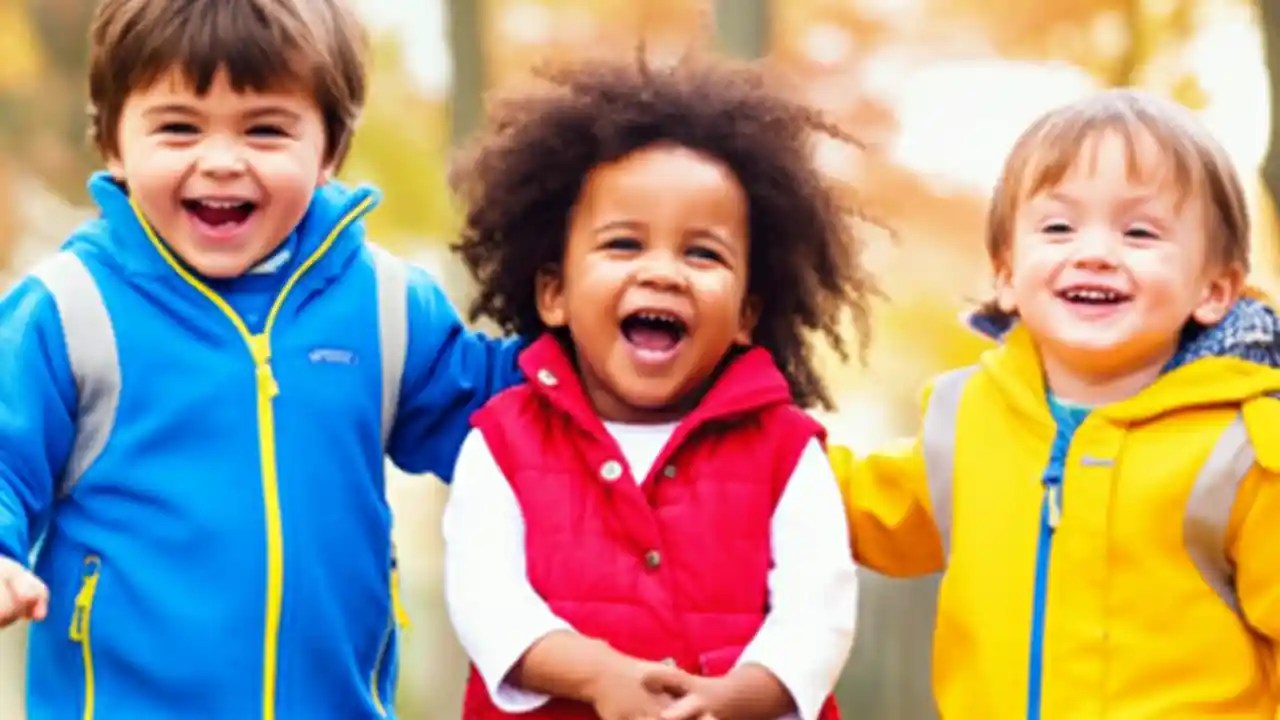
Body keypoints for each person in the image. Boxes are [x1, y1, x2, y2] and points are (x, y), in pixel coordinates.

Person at [0, 1, 522, 717]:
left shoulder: (386, 306)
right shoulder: (69, 308)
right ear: (114, 144)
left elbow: (512, 419)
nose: (221, 161)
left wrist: (607, 348)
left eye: (266, 130)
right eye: (179, 128)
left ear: (330, 149)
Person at [441, 48, 877, 720]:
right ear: (555, 294)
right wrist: (598, 676)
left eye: (702, 253)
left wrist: (731, 698)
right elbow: (486, 602)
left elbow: (818, 615)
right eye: (624, 244)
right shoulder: (501, 442)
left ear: (746, 315)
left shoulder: (788, 452)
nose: (663, 273)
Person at [831, 89, 1280, 718]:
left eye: (1140, 232)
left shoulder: (1243, 450)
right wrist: (762, 451)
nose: (1093, 253)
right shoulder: (968, 422)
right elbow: (862, 507)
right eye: (1058, 228)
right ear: (1006, 275)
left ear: (1214, 289)